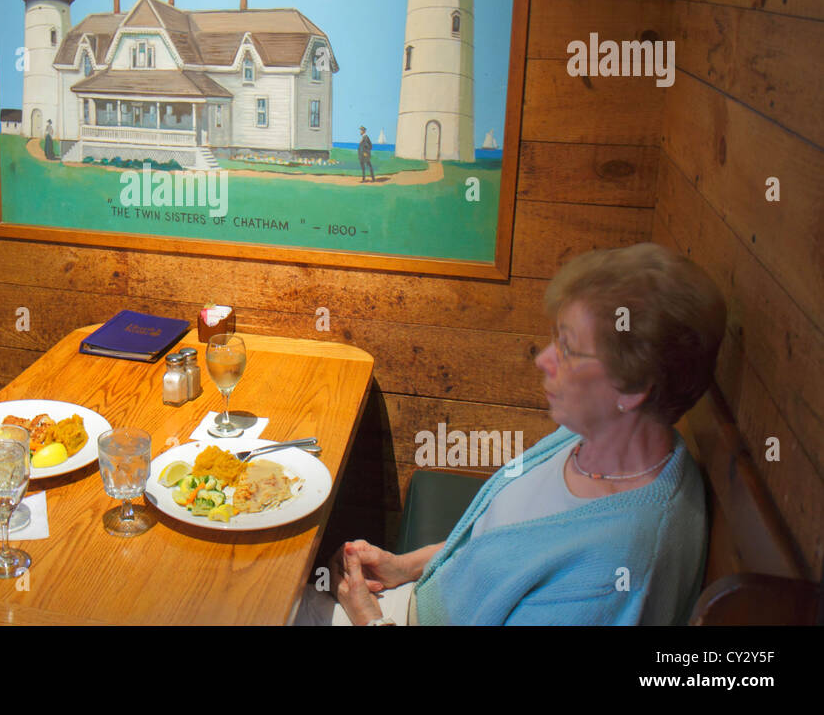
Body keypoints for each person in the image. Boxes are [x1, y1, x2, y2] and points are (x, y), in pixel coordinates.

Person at [305, 242, 725, 625]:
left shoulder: (617, 571)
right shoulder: (593, 442)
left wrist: (366, 617)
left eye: (569, 350)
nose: (544, 360)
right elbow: (498, 551)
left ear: (633, 389)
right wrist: (405, 566)